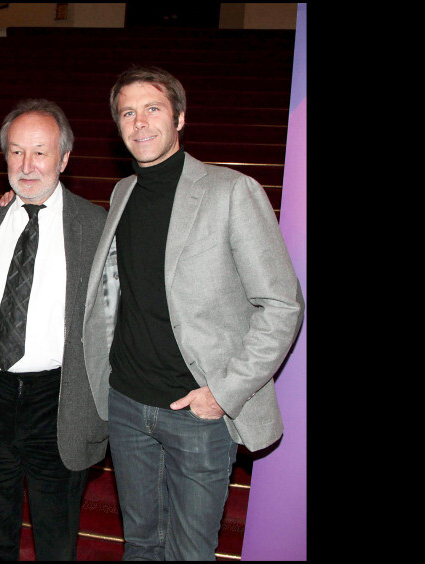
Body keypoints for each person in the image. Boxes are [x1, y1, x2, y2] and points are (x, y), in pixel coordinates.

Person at [81, 65, 304, 560]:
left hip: (198, 414)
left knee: (190, 553)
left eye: (152, 109)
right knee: (140, 544)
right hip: (128, 404)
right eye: (127, 113)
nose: (139, 122)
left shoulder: (230, 191)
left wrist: (223, 394)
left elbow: (282, 304)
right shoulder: (123, 193)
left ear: (180, 118)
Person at [0, 99, 108, 560]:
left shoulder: (96, 226)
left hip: (58, 399)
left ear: (64, 159)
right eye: (16, 152)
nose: (27, 165)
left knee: (55, 538)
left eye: (40, 152)